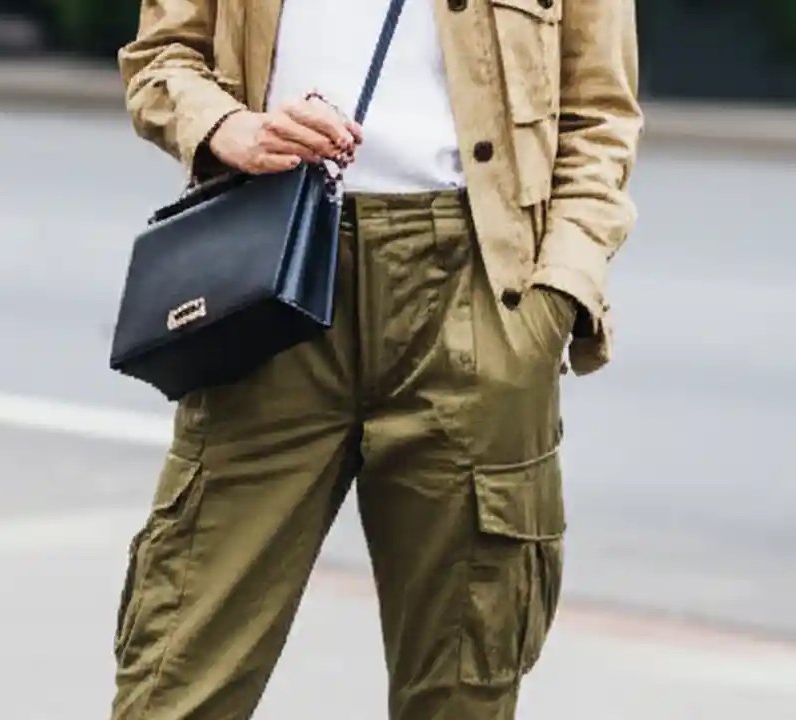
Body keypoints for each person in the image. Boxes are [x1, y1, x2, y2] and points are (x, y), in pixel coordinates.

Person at [111, 0, 641, 717]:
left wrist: (552, 303)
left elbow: (599, 114)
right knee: (175, 680)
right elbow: (162, 57)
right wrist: (233, 128)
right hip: (275, 275)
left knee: (460, 690)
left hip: (481, 285)